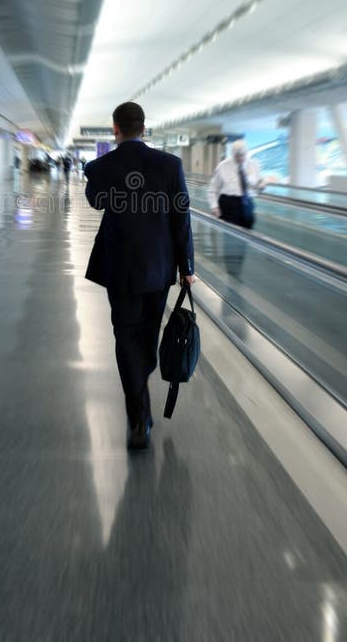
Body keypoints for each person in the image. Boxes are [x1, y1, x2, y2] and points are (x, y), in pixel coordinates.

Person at [84, 102, 195, 450]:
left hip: (119, 268)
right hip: (159, 268)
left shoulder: (104, 166)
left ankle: (138, 417)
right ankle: (139, 402)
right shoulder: (170, 165)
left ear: (115, 129)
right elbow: (182, 219)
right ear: (144, 129)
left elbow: (96, 201)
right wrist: (186, 267)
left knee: (126, 335)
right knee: (145, 334)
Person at [207, 140, 264, 229]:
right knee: (231, 234)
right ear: (233, 154)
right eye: (238, 156)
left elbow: (259, 184)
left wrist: (262, 186)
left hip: (247, 203)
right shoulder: (223, 166)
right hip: (229, 204)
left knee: (249, 233)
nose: (241, 158)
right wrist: (214, 206)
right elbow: (213, 189)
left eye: (243, 155)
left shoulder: (253, 165)